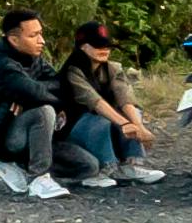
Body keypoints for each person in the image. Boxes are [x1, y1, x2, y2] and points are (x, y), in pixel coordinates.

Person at [0, 8, 76, 197]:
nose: (42, 40)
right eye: (34, 35)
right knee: (44, 112)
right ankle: (38, 178)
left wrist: (33, 92)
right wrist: (43, 97)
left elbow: (60, 83)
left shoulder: (33, 57)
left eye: (41, 34)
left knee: (87, 166)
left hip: (26, 130)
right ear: (14, 40)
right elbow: (35, 94)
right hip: (0, 136)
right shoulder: (1, 64)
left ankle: (18, 167)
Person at [58, 22, 169, 185]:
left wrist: (139, 127)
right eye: (97, 45)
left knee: (133, 113)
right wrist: (124, 124)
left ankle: (128, 166)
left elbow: (124, 98)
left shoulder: (112, 68)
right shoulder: (73, 72)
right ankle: (103, 168)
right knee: (102, 121)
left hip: (102, 126)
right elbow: (95, 102)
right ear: (83, 46)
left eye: (107, 46)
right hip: (75, 128)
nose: (104, 50)